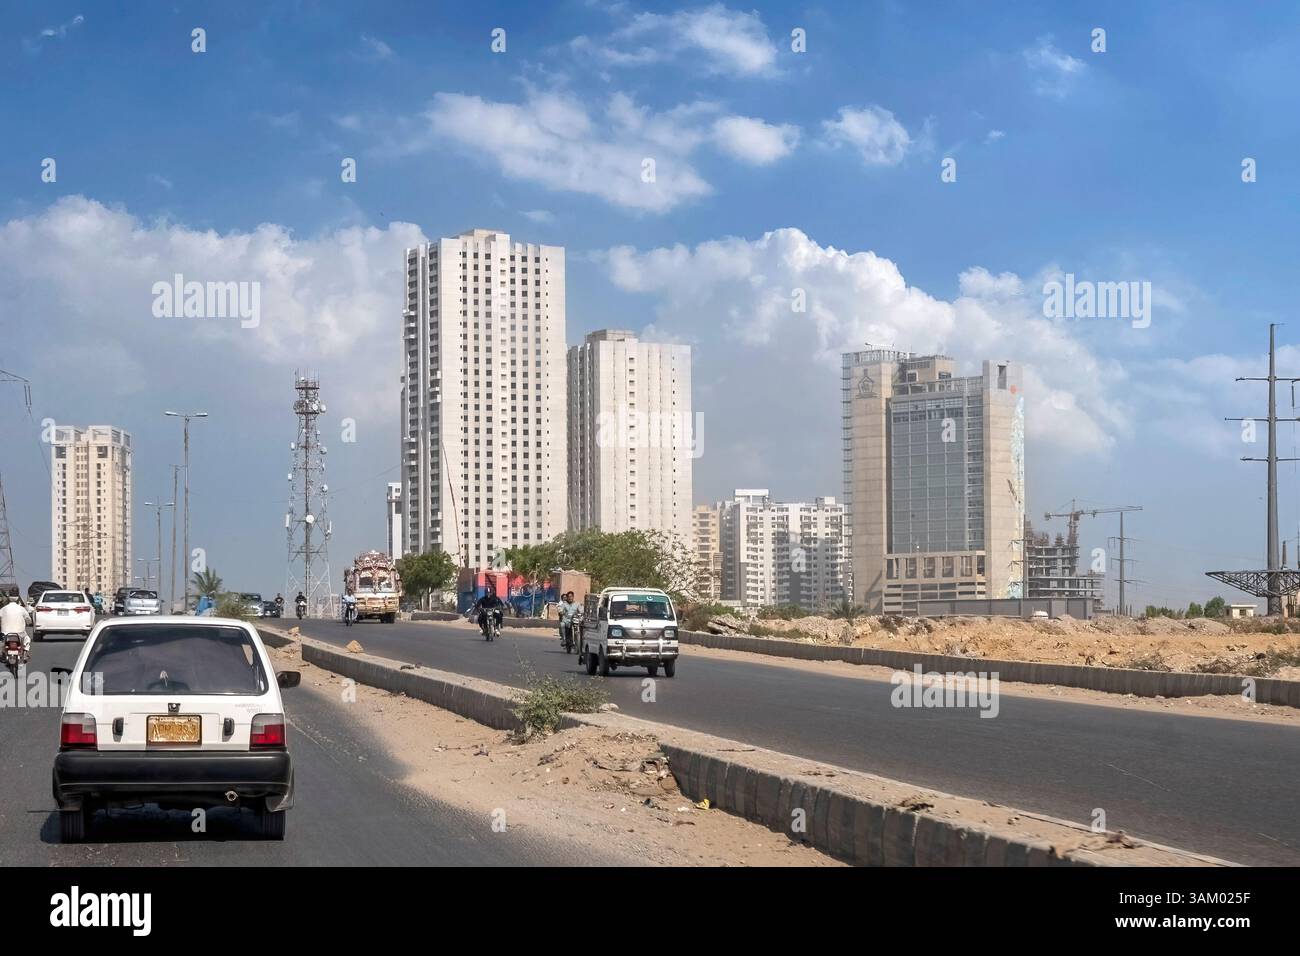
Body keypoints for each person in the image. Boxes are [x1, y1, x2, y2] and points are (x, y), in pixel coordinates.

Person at [0, 595, 32, 661]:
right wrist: (29, 622)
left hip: (5, 633)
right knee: (27, 639)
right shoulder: (22, 609)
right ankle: (25, 654)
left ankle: (3, 653)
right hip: (20, 633)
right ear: (18, 599)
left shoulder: (3, 609)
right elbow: (28, 619)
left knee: (1, 642)